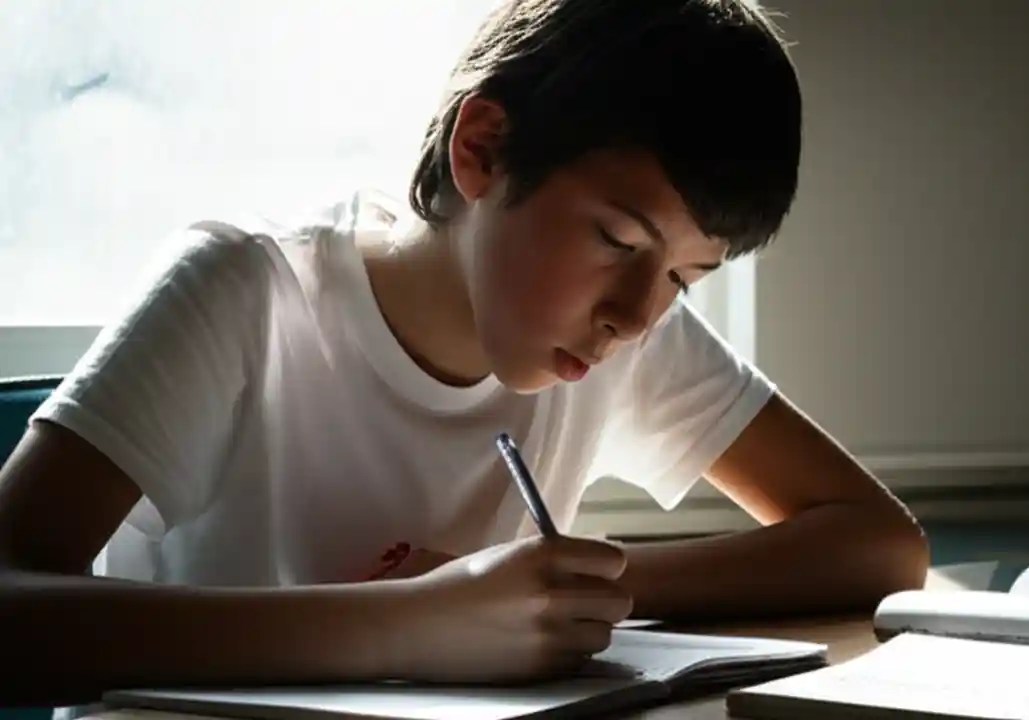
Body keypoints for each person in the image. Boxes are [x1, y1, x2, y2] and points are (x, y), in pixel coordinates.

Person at [0, 0, 927, 710]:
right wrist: (416, 624)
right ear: (482, 150)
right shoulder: (245, 289)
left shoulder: (621, 338)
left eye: (684, 278)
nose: (637, 316)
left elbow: (878, 543)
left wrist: (584, 591)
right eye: (616, 238)